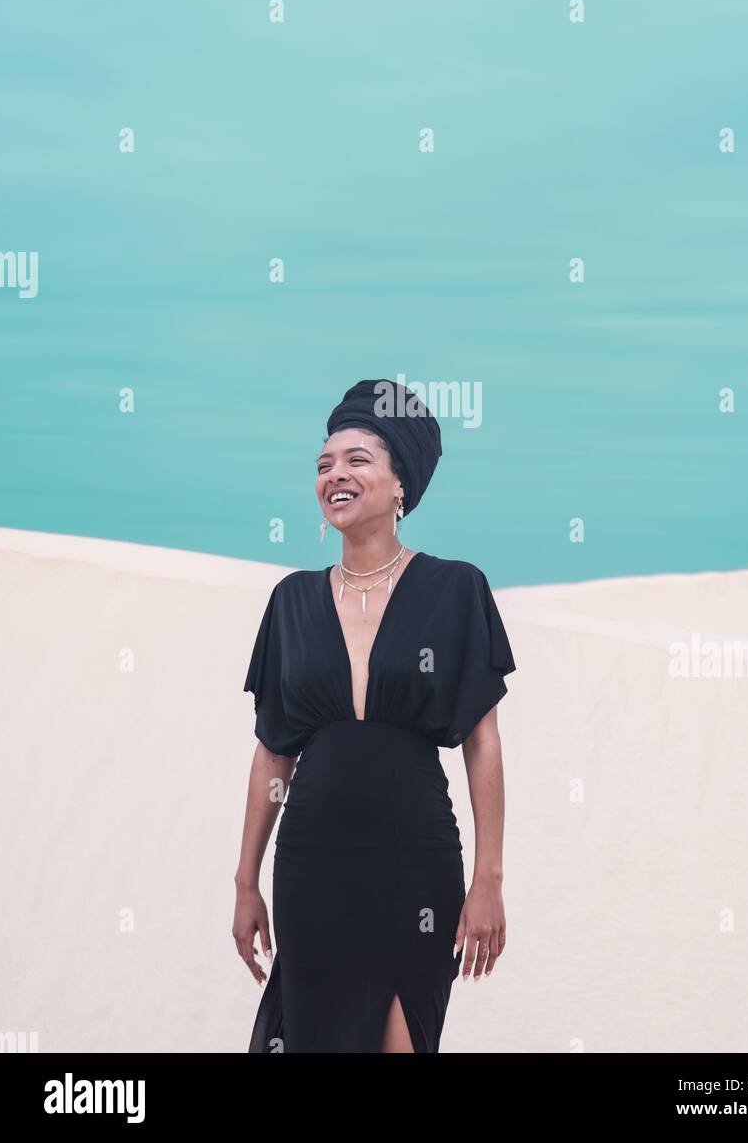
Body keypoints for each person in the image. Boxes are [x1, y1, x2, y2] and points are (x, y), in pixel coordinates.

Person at [233, 378, 516, 1052]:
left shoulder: (455, 588)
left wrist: (488, 879)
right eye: (324, 464)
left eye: (357, 460)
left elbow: (482, 743)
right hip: (310, 867)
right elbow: (273, 752)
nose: (335, 474)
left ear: (400, 487)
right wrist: (245, 882)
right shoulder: (291, 601)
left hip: (414, 863)